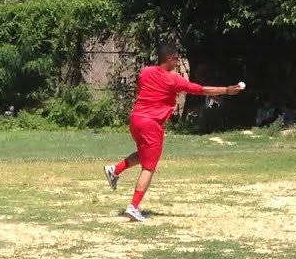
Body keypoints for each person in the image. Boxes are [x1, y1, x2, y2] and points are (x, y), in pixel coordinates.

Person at [103, 45, 243, 222]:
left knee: (145, 155)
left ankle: (115, 170)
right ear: (169, 59)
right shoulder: (173, 80)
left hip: (136, 119)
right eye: (176, 59)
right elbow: (199, 89)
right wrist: (227, 90)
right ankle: (133, 207)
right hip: (152, 123)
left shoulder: (145, 72)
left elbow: (140, 90)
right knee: (149, 167)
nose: (177, 62)